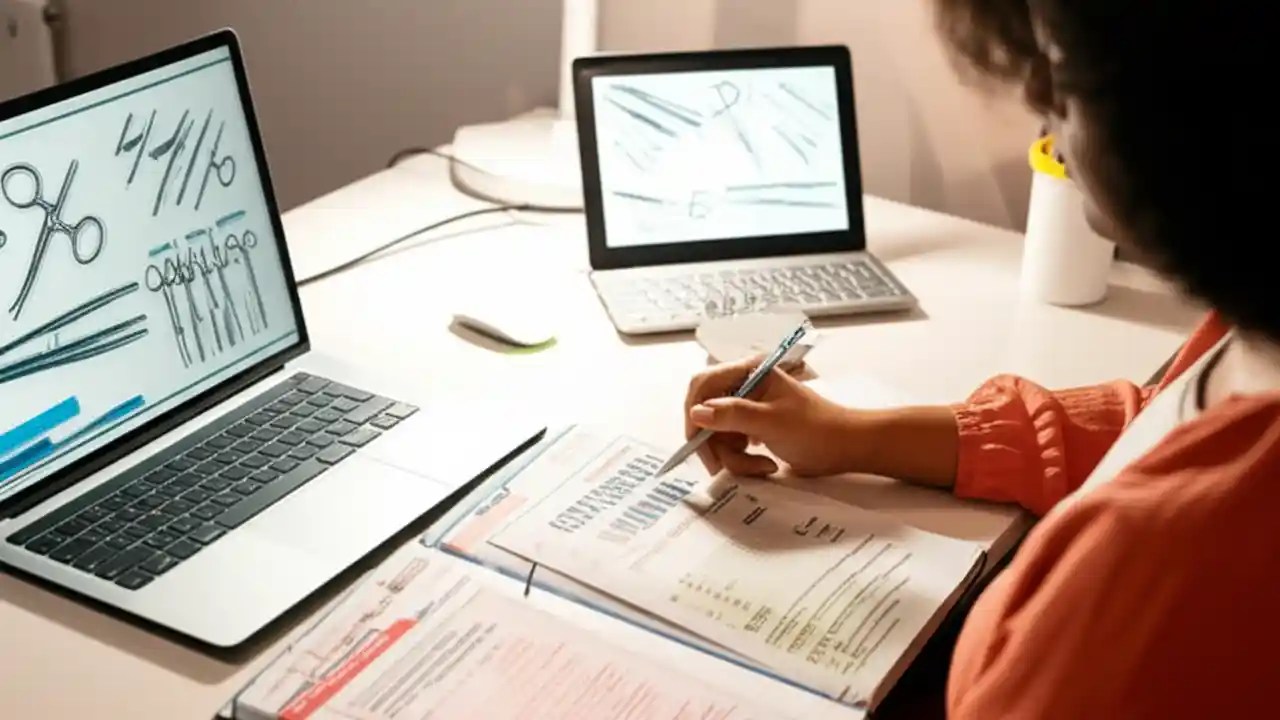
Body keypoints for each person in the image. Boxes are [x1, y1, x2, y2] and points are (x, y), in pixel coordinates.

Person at [682, 2, 1274, 717]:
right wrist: (852, 435)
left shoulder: (1155, 585)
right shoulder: (1249, 346)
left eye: (1057, 59)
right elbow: (1154, 424)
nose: (1036, 96)